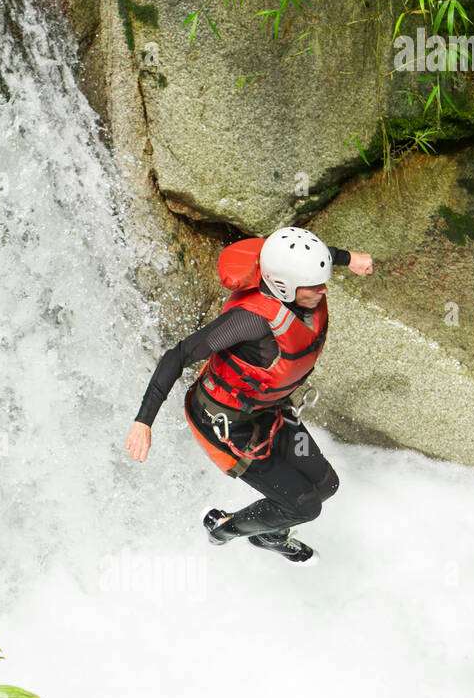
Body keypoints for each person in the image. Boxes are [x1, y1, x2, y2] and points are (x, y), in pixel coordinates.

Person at [126, 227, 373, 564]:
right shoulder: (250, 321)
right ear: (284, 285)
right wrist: (144, 421)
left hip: (270, 410)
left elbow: (315, 255)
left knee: (327, 484)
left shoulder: (294, 277)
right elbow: (178, 355)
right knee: (304, 505)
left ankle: (269, 533)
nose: (323, 289)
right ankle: (221, 528)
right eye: (314, 285)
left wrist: (350, 259)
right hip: (226, 426)